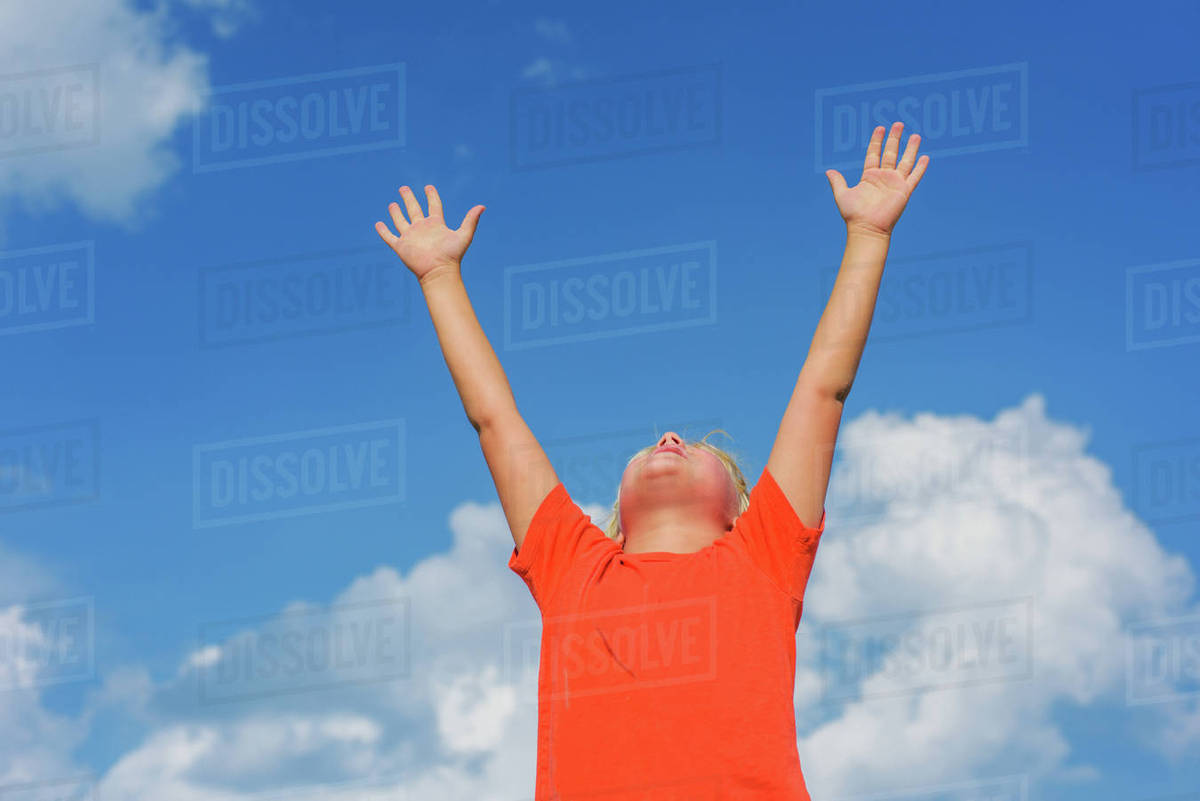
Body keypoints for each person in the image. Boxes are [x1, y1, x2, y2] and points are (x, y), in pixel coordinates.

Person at [375, 121, 930, 800]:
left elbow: (824, 387)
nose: (670, 436)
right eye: (655, 445)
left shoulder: (764, 555)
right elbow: (494, 419)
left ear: (741, 512)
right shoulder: (575, 565)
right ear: (614, 518)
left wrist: (869, 238)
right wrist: (439, 277)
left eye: (699, 449)